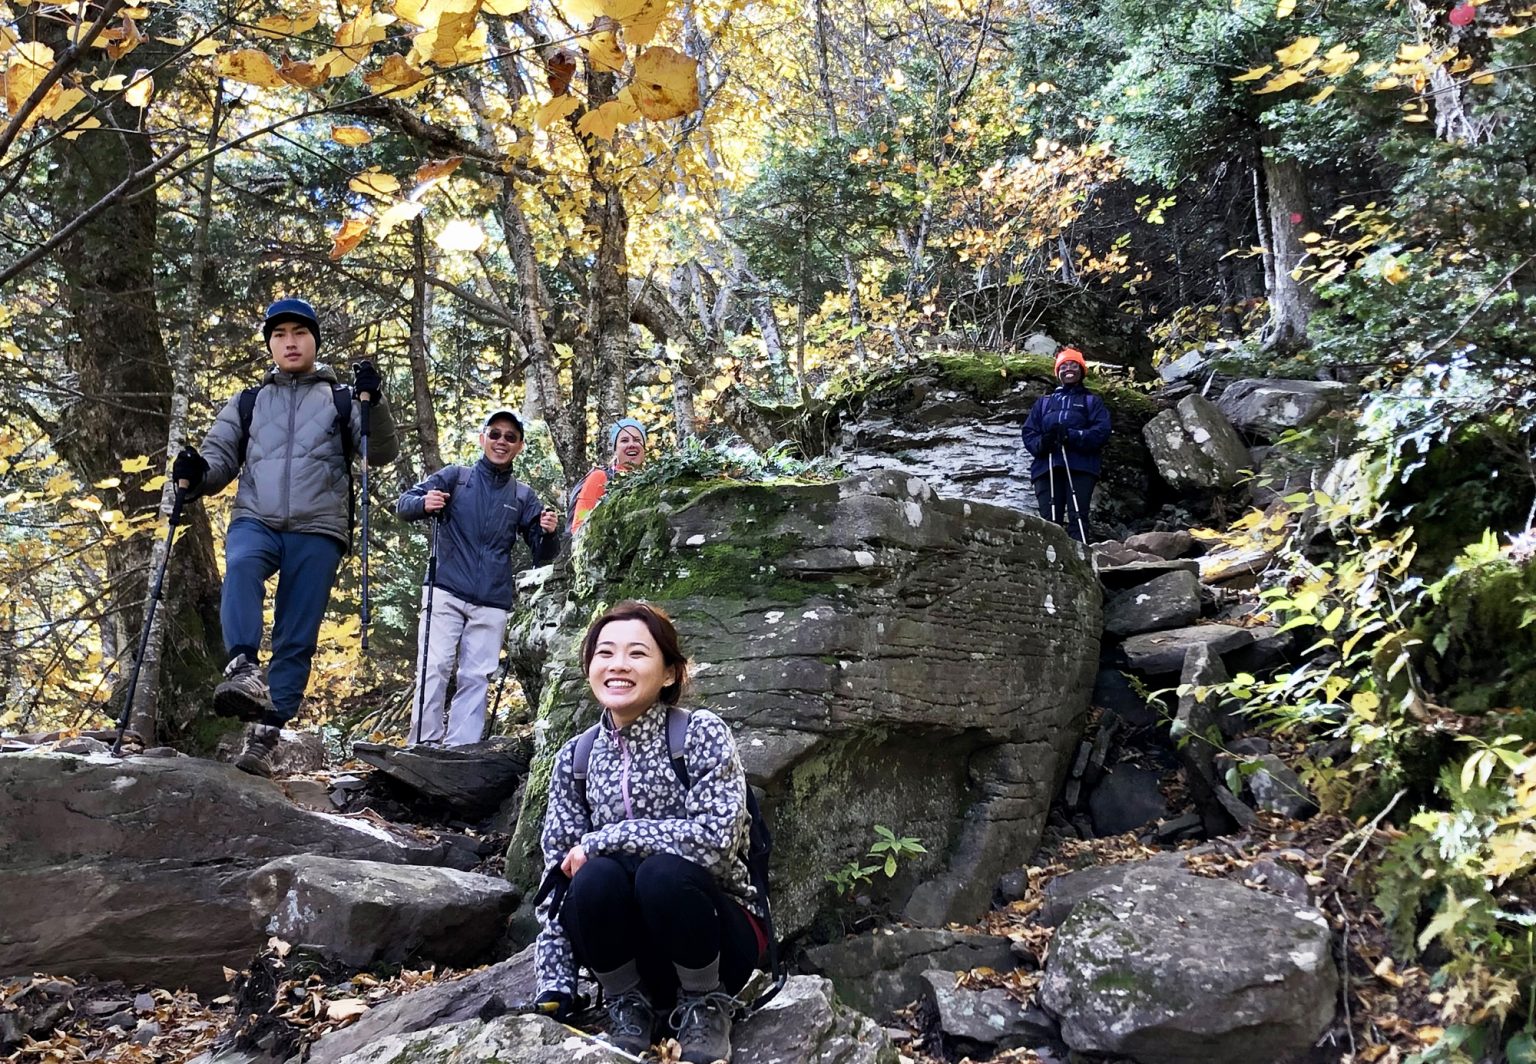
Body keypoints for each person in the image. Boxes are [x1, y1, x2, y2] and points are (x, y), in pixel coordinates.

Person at [171, 297, 399, 776]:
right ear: (270, 345)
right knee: (243, 568)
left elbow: (377, 451)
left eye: (299, 332)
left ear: (315, 339)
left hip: (319, 526)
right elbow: (219, 458)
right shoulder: (249, 402)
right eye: (279, 335)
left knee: (297, 631)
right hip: (257, 515)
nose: (289, 342)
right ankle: (242, 668)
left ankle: (267, 733)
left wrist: (372, 403)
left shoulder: (340, 398)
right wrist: (195, 476)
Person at [533, 601, 765, 1064]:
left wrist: (604, 840)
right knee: (593, 879)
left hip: (716, 943)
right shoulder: (575, 759)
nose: (618, 665)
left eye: (637, 653)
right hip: (631, 962)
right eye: (605, 653)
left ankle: (706, 1006)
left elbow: (715, 844)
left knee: (660, 874)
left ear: (669, 674)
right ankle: (628, 1006)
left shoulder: (699, 735)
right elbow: (557, 881)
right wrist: (555, 981)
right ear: (590, 668)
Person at [396, 409, 561, 747]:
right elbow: (404, 504)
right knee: (434, 666)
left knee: (476, 677)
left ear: (520, 447)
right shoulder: (456, 477)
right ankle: (423, 745)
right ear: (482, 438)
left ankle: (461, 750)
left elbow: (543, 554)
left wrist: (548, 532)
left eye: (510, 437)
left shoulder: (522, 496)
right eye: (495, 434)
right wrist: (425, 503)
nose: (502, 441)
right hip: (444, 588)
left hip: (492, 600)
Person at [1021, 346, 1111, 543]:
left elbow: (1101, 431)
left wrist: (1071, 435)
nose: (1068, 369)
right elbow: (1029, 432)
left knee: (1078, 516)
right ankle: (1052, 562)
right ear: (1057, 372)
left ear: (1081, 370)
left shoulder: (1091, 401)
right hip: (1047, 468)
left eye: (1073, 365)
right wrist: (1043, 442)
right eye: (1063, 366)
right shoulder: (1044, 403)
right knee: (1049, 520)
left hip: (1080, 466)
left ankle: (1080, 561)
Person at [566, 417, 648, 535]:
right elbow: (579, 525)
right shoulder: (599, 478)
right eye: (624, 440)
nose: (631, 444)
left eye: (636, 440)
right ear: (615, 449)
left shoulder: (652, 482)